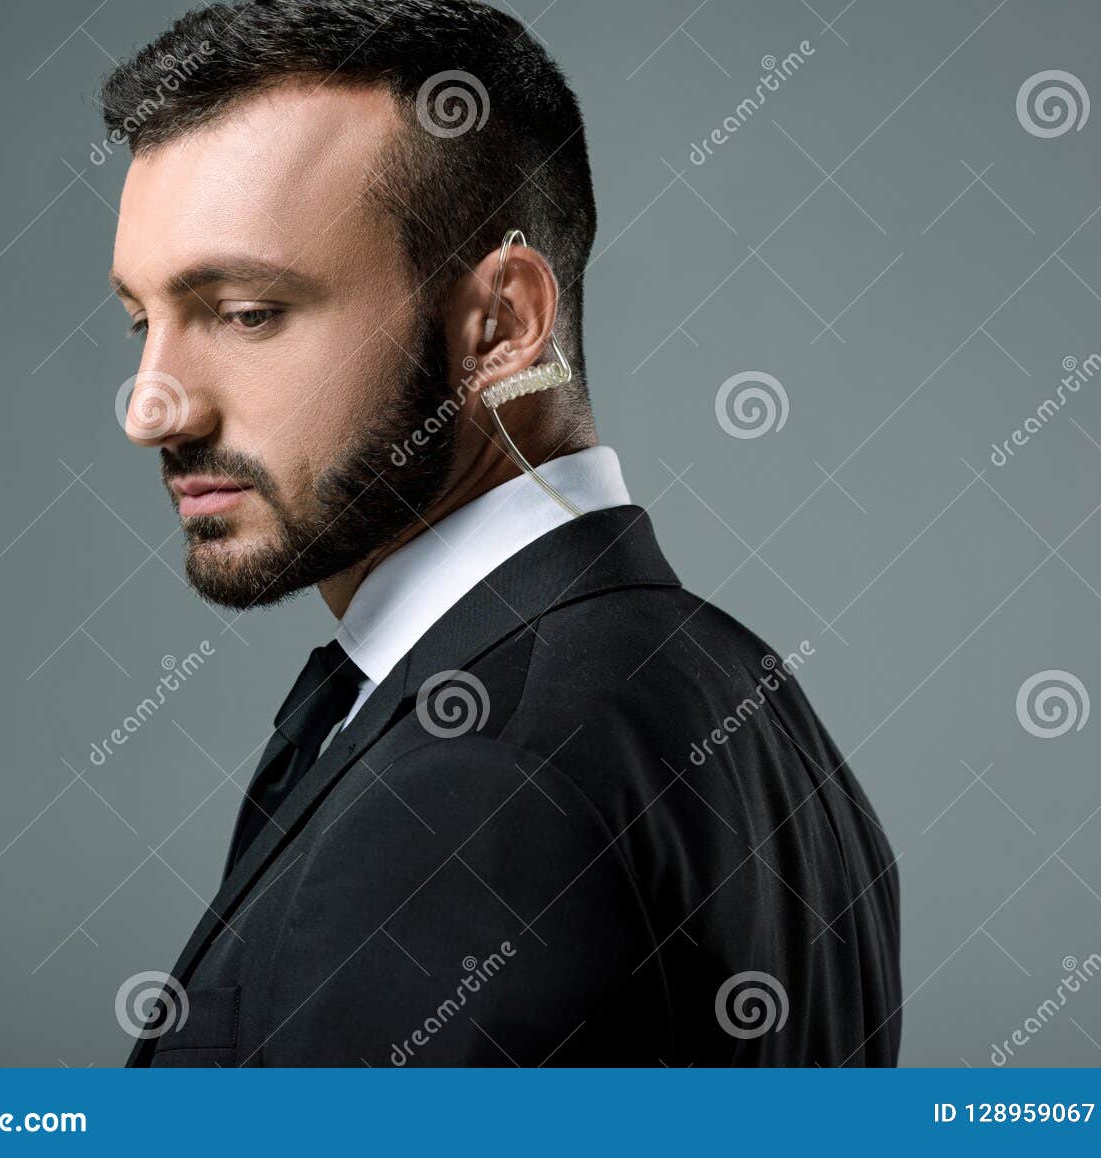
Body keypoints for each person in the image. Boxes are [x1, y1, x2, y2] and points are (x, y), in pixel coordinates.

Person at [102, 0, 899, 1066]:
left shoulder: (472, 780)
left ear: (500, 325)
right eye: (139, 322)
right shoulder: (737, 690)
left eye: (246, 312)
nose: (152, 406)